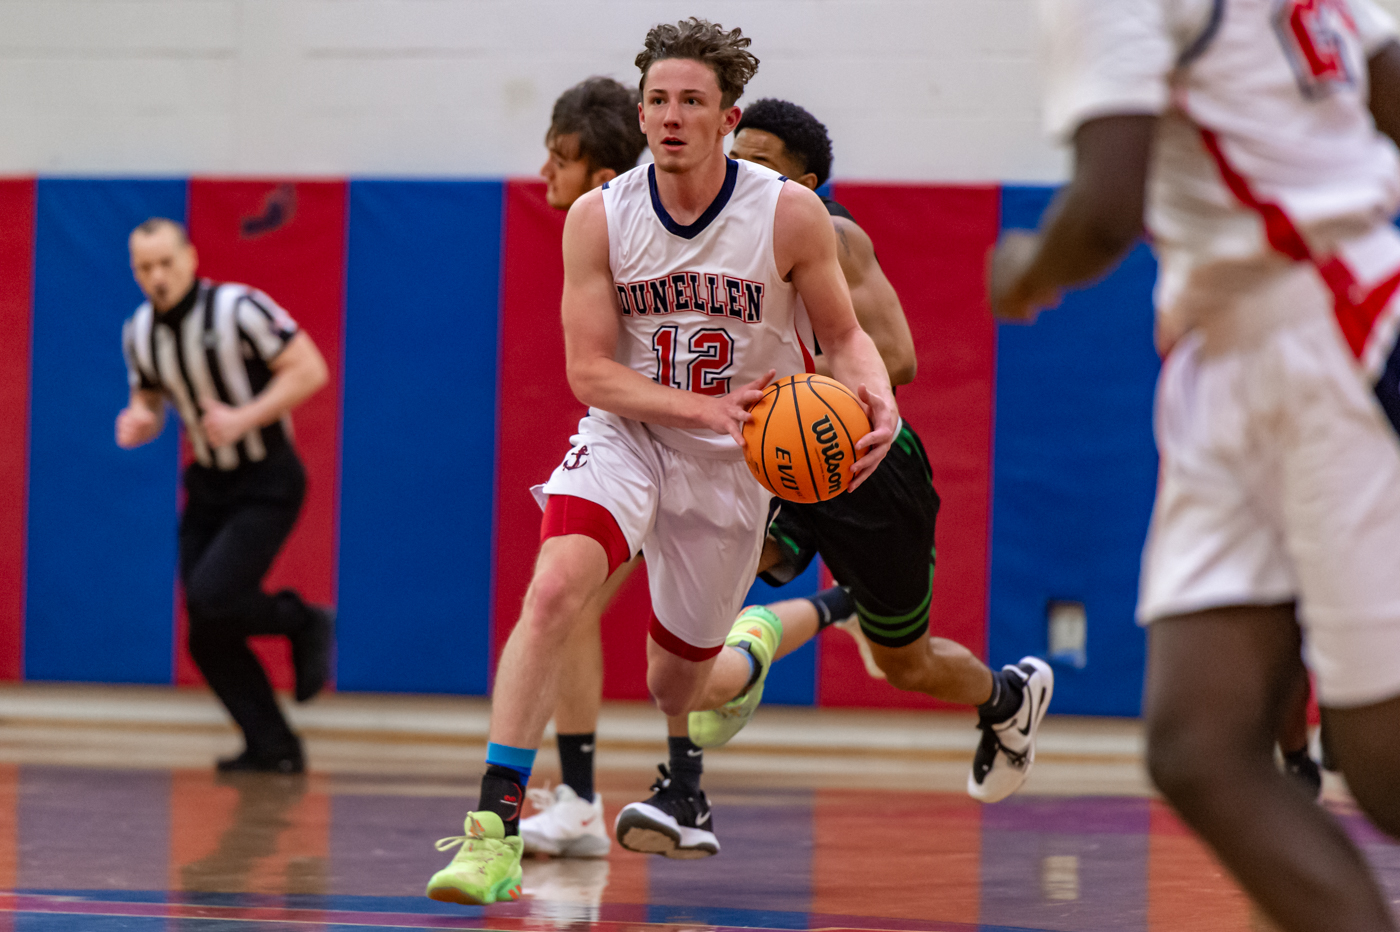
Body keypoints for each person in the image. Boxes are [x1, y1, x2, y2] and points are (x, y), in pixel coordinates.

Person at [426, 16, 898, 905]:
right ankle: (493, 831)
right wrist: (698, 407)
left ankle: (758, 641)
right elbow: (588, 372)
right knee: (555, 590)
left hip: (734, 467)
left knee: (677, 684)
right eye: (658, 100)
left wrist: (879, 396)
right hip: (631, 434)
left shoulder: (789, 215)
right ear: (640, 114)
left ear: (728, 118)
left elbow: (845, 338)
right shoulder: (599, 219)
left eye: (692, 101)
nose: (672, 116)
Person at [989, 1, 1400, 929]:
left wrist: (1026, 268)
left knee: (1382, 763)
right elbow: (1388, 84)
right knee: (1199, 745)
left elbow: (1106, 209)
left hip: (1330, 329)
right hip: (1236, 351)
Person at [613, 98, 1054, 858]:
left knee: (906, 665)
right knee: (693, 600)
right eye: (735, 156)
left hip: (859, 469)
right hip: (770, 464)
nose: (739, 171)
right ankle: (683, 788)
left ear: (808, 184)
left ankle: (1007, 697)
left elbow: (900, 360)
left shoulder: (834, 237)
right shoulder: (710, 242)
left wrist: (793, 379)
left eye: (760, 162)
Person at [117, 218, 334, 775]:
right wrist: (141, 420)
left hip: (268, 479)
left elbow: (310, 369)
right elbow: (150, 399)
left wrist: (245, 417)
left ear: (191, 258)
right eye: (145, 267)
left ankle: (302, 620)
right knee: (205, 632)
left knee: (212, 597)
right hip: (210, 486)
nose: (157, 276)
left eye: (166, 263)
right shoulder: (139, 330)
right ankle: (273, 745)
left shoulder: (239, 308)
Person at [520, 76, 649, 859]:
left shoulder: (655, 237)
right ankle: (577, 799)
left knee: (704, 669)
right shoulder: (602, 234)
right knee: (565, 604)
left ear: (602, 176)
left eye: (558, 159)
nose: (544, 172)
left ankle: (843, 605)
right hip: (635, 450)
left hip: (688, 453)